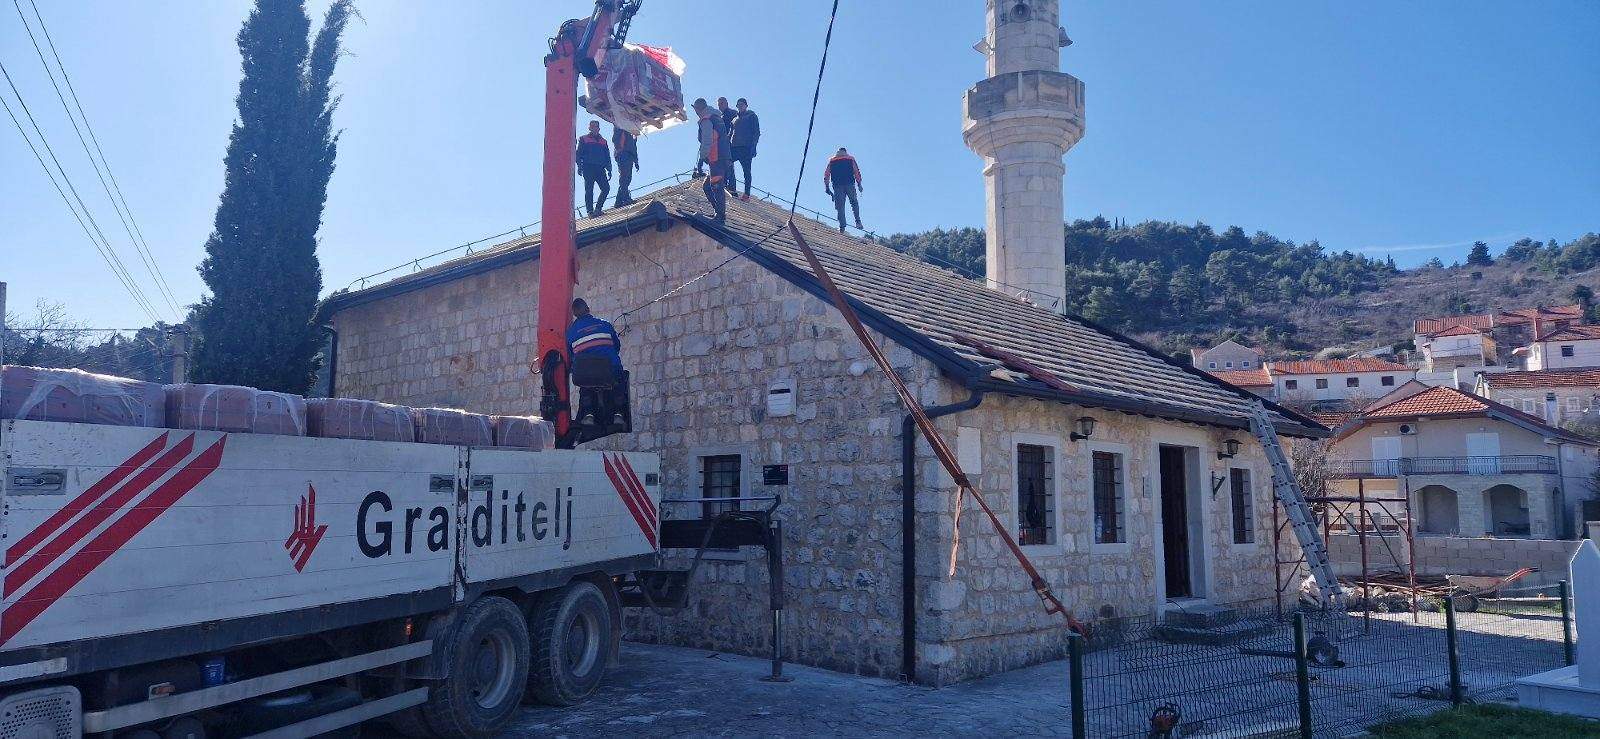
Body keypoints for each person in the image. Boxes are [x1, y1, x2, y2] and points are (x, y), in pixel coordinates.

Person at [566, 298, 627, 429]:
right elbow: (616, 347)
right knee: (619, 378)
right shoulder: (605, 325)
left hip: (585, 376)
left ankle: (588, 414)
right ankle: (618, 414)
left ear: (575, 314)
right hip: (609, 372)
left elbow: (571, 357)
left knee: (585, 381)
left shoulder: (570, 333)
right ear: (588, 309)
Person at [693, 98, 730, 222]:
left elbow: (708, 140)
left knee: (716, 186)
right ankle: (718, 213)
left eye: (696, 110)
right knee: (708, 186)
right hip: (724, 157)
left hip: (716, 157)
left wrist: (702, 158)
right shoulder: (717, 118)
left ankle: (720, 217)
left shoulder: (706, 120)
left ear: (698, 109)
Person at [575, 120, 611, 217]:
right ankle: (590, 212)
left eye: (596, 127)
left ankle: (598, 209)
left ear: (599, 129)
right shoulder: (583, 139)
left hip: (600, 168)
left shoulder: (604, 141)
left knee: (606, 188)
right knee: (589, 190)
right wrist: (579, 166)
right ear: (589, 128)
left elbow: (607, 156)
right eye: (593, 127)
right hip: (588, 167)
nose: (595, 128)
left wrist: (609, 169)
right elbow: (578, 154)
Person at [823, 147, 863, 232]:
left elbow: (826, 174)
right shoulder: (850, 159)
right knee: (854, 202)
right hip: (850, 184)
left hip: (837, 186)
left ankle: (842, 226)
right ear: (845, 152)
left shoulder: (832, 160)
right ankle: (858, 222)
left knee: (840, 206)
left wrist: (827, 187)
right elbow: (856, 171)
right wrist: (859, 184)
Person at [729, 98, 760, 201]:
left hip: (746, 147)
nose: (740, 106)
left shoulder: (751, 116)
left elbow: (756, 132)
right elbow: (731, 133)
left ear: (746, 105)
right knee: (726, 163)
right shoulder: (734, 119)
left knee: (746, 171)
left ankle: (746, 194)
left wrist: (753, 147)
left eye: (741, 104)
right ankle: (731, 187)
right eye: (738, 105)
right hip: (734, 147)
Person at [612, 125, 639, 207]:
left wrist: (636, 161)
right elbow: (615, 139)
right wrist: (619, 149)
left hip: (629, 155)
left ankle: (618, 201)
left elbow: (634, 147)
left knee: (627, 178)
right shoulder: (620, 126)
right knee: (624, 178)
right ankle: (625, 199)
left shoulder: (631, 132)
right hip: (623, 154)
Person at [716, 97, 738, 194]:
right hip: (722, 143)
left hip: (729, 143)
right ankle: (724, 184)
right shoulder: (721, 116)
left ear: (726, 103)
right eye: (719, 104)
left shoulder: (732, 114)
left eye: (721, 103)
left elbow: (735, 127)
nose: (720, 106)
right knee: (723, 163)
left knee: (728, 164)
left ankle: (732, 187)